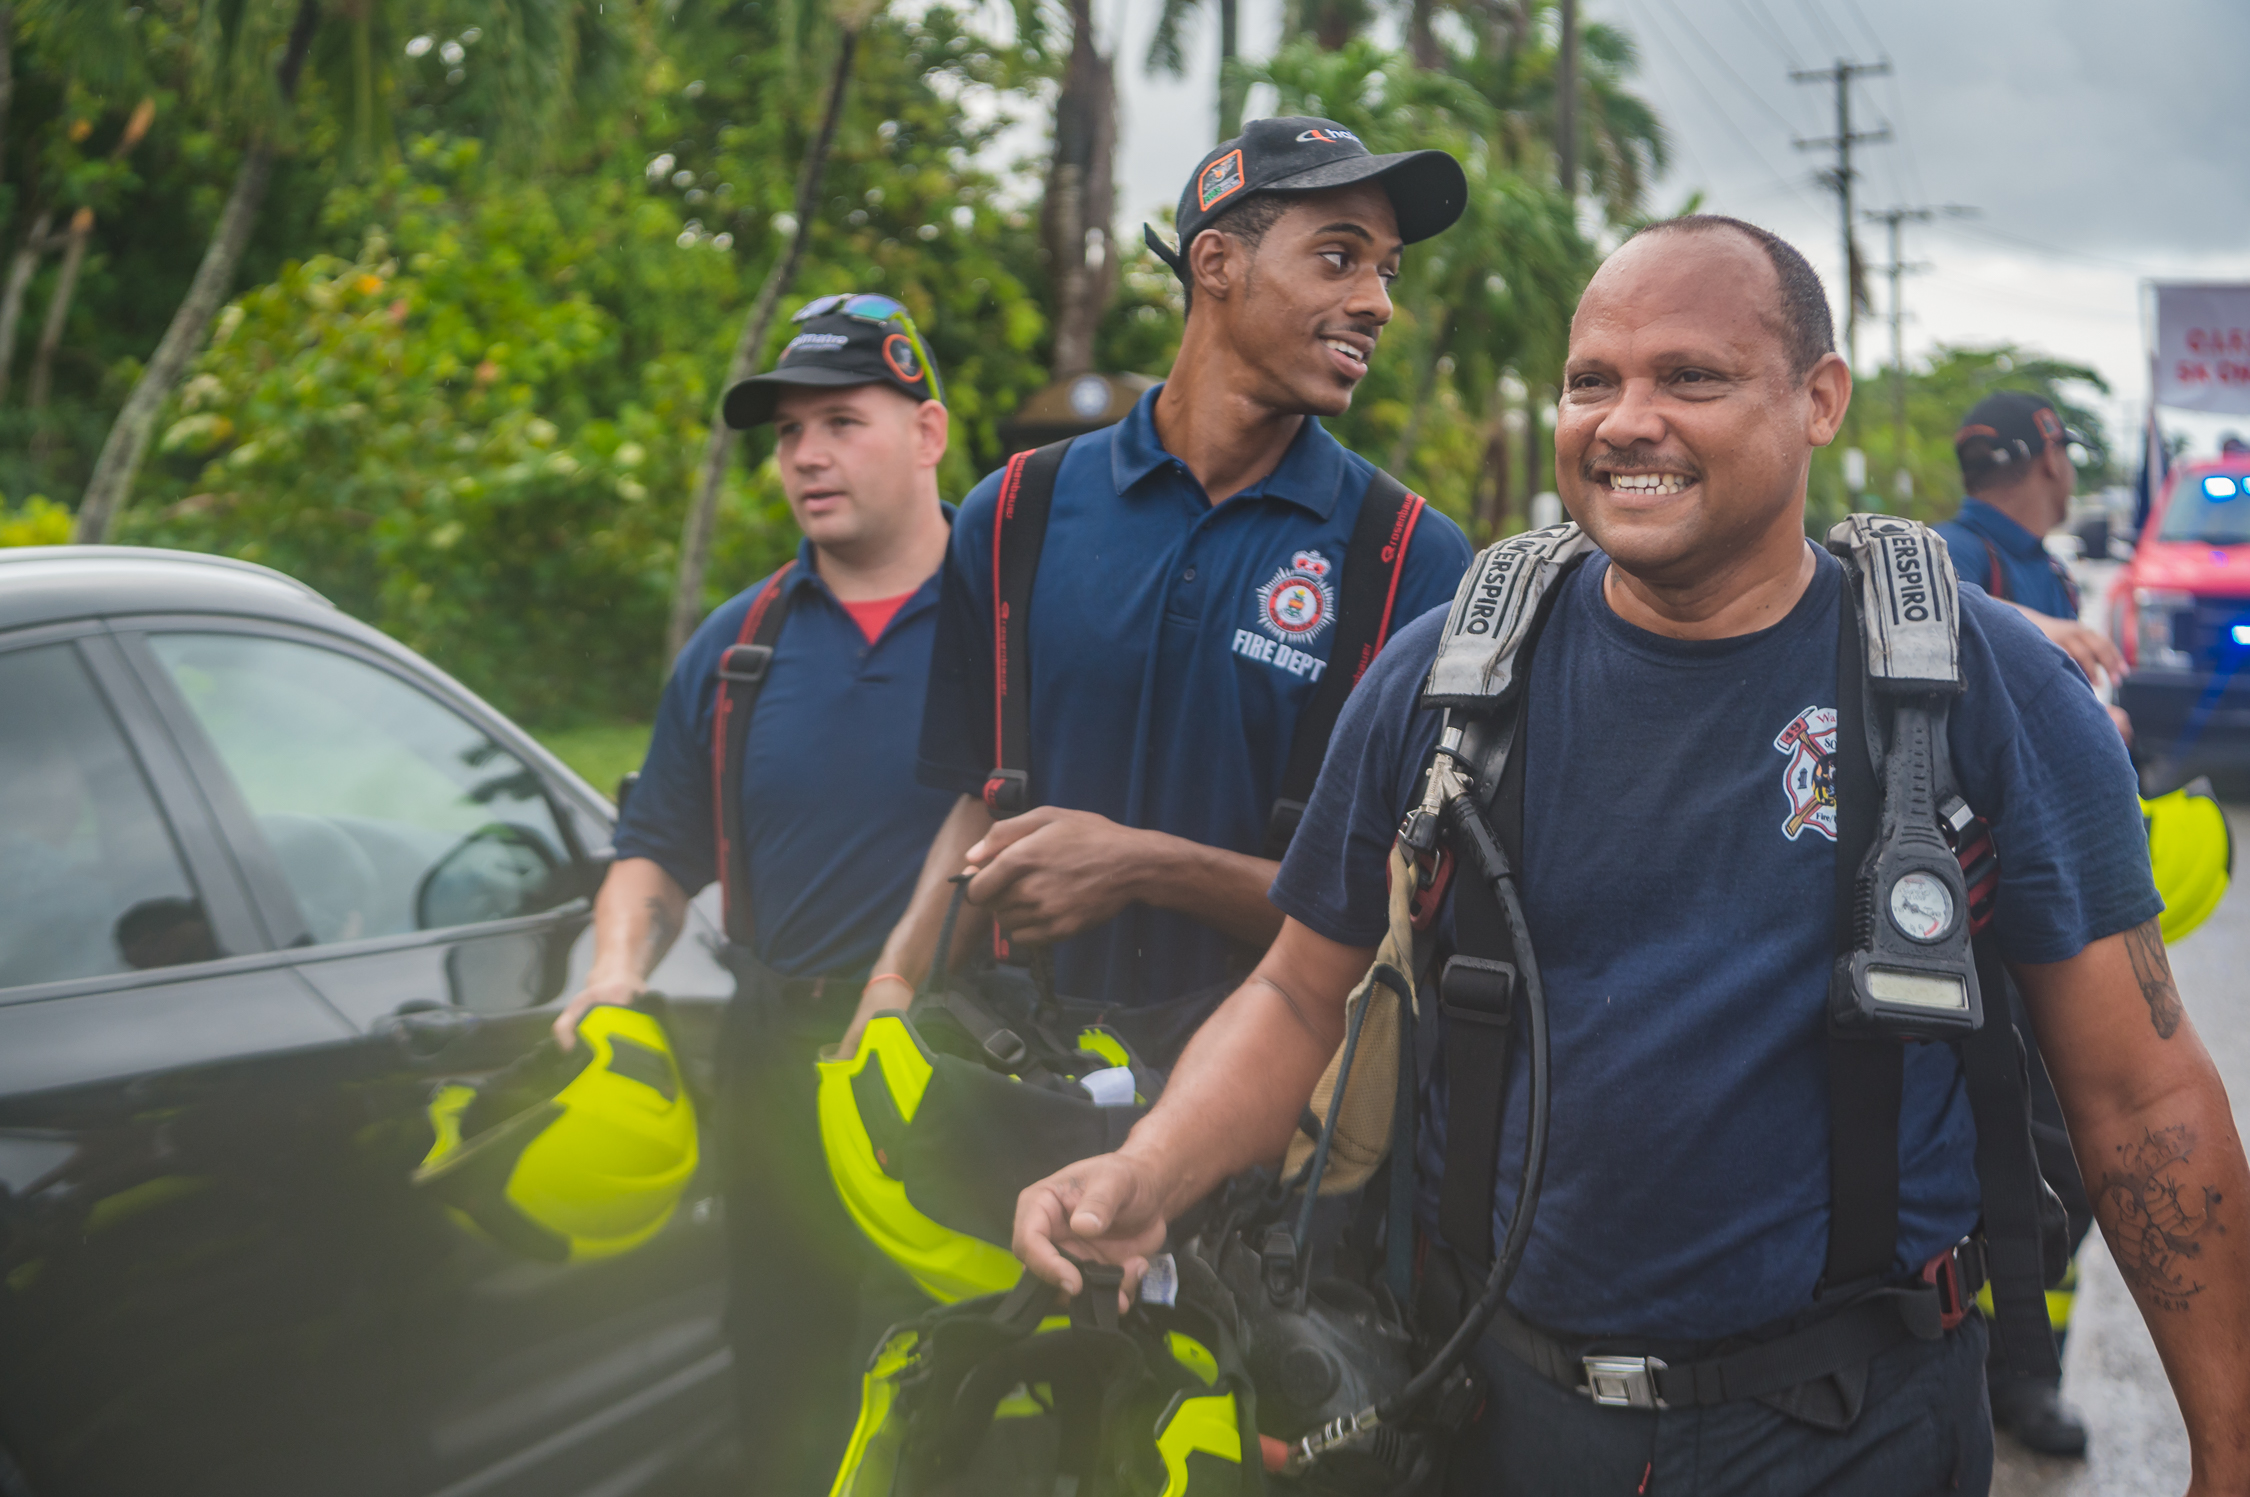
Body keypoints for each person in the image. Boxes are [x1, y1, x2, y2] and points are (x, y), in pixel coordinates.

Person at [1014, 217, 2250, 1493]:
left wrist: (2228, 1455)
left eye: (1691, 378)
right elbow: (1293, 993)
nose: (1625, 420)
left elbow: (2143, 1096)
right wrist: (1145, 1170)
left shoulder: (1975, 688)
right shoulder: (1449, 677)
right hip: (1501, 1413)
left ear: (1818, 400)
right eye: (1591, 381)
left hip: (1852, 1426)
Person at [840, 118, 1475, 1055]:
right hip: (1018, 1069)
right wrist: (892, 986)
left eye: (1386, 271)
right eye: (1339, 258)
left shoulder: (1408, 557)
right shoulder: (1015, 510)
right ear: (1215, 262)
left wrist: (1144, 866)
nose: (1377, 302)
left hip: (1265, 1108)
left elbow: (1398, 905)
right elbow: (985, 798)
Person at [550, 295, 959, 1492]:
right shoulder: (740, 652)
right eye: (788, 435)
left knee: (951, 1386)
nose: (807, 458)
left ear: (928, 431)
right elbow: (655, 851)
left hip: (956, 1067)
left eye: (841, 421)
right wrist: (615, 973)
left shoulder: (1011, 637)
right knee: (781, 1372)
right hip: (776, 1062)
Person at [1937, 390, 2121, 1456]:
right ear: (2044, 454)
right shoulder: (1968, 560)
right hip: (1987, 924)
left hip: (2050, 905)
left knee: (2055, 1151)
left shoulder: (2043, 562)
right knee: (2043, 1152)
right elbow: (1911, 596)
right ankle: (2010, 1373)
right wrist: (2032, 629)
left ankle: (2022, 1362)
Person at [1935, 390, 2133, 743]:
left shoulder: (2049, 566)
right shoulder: (1947, 549)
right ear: (2052, 461)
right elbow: (1930, 606)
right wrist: (2035, 630)